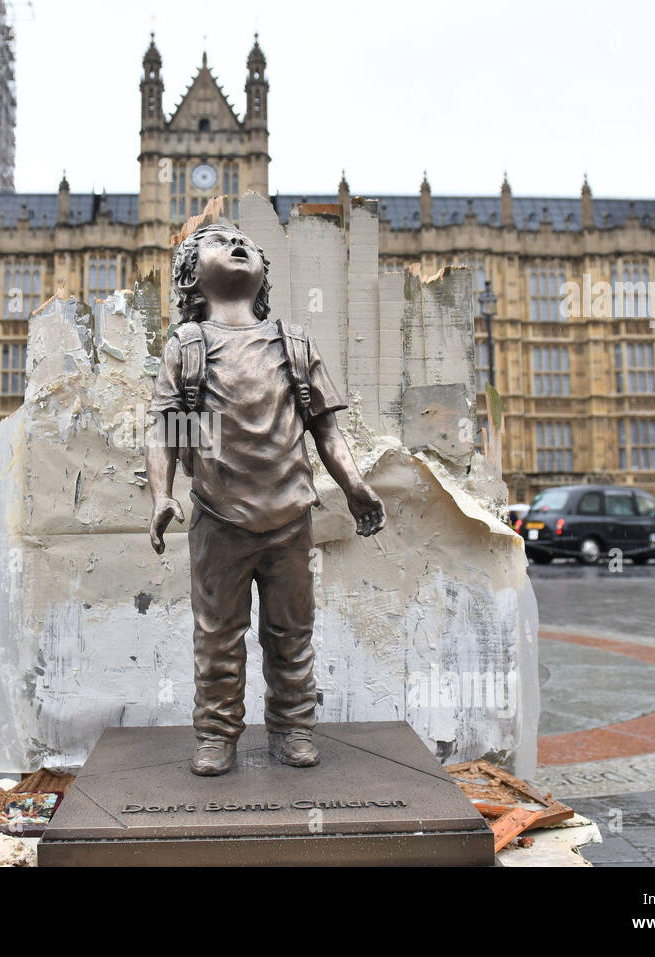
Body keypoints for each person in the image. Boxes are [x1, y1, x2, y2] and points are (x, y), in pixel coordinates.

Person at [146, 223, 384, 776]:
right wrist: (163, 494)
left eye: (246, 244)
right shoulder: (189, 347)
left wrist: (354, 485)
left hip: (289, 516)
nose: (236, 247)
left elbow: (323, 430)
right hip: (217, 515)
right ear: (191, 277)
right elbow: (170, 432)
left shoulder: (293, 343)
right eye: (216, 242)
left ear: (261, 272)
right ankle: (216, 734)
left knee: (291, 632)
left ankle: (293, 727)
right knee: (218, 637)